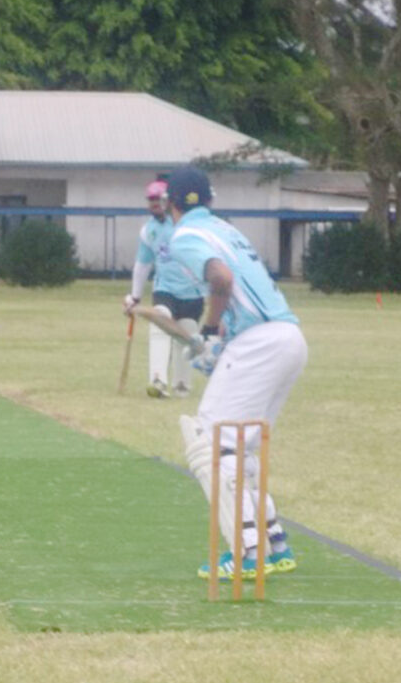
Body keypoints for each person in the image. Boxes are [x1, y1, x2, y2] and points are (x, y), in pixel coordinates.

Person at [162, 165, 308, 581]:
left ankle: (247, 551)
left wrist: (208, 332)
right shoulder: (228, 230)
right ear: (209, 200)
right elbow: (239, 289)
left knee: (211, 444)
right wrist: (222, 340)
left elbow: (221, 280)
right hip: (288, 336)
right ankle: (274, 542)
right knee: (240, 449)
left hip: (260, 343)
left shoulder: (186, 236)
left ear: (171, 204)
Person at [123, 178, 205, 398]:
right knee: (160, 321)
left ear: (168, 201)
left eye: (158, 199)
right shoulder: (148, 230)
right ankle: (157, 380)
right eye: (150, 200)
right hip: (165, 288)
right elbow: (143, 265)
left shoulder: (184, 223)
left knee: (186, 332)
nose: (154, 204)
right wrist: (135, 296)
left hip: (193, 290)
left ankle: (182, 385)